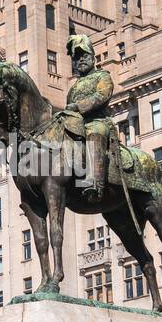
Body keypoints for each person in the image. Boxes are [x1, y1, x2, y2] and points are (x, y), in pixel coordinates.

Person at [54, 34, 116, 203]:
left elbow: (102, 95)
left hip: (97, 121)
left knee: (94, 133)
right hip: (76, 124)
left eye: (83, 56)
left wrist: (78, 107)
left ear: (92, 57)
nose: (79, 61)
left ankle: (95, 183)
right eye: (76, 58)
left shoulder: (102, 76)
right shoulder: (73, 87)